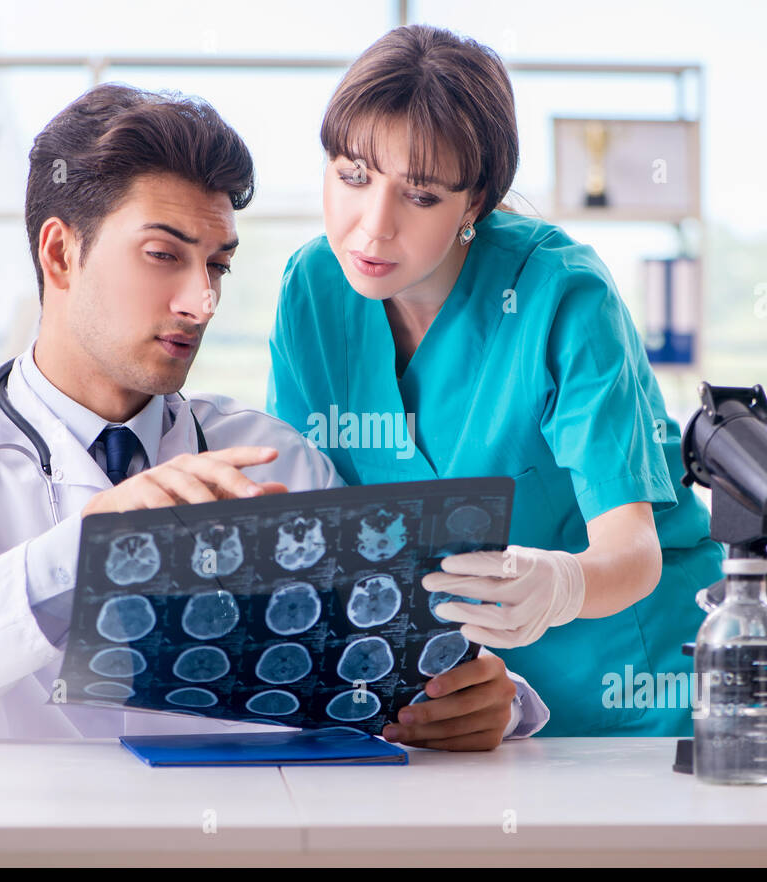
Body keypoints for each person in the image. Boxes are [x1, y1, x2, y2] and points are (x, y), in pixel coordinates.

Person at [0, 83, 546, 746]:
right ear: (61, 253)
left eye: (218, 265)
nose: (201, 301)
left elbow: (393, 665)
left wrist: (493, 702)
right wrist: (89, 547)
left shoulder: (271, 458)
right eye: (164, 254)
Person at [267, 26, 725, 738]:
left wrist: (563, 584)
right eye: (353, 177)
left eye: (419, 196)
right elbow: (306, 517)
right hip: (453, 684)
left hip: (624, 674)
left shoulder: (561, 296)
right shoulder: (313, 290)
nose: (372, 229)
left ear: (474, 201)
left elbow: (632, 551)